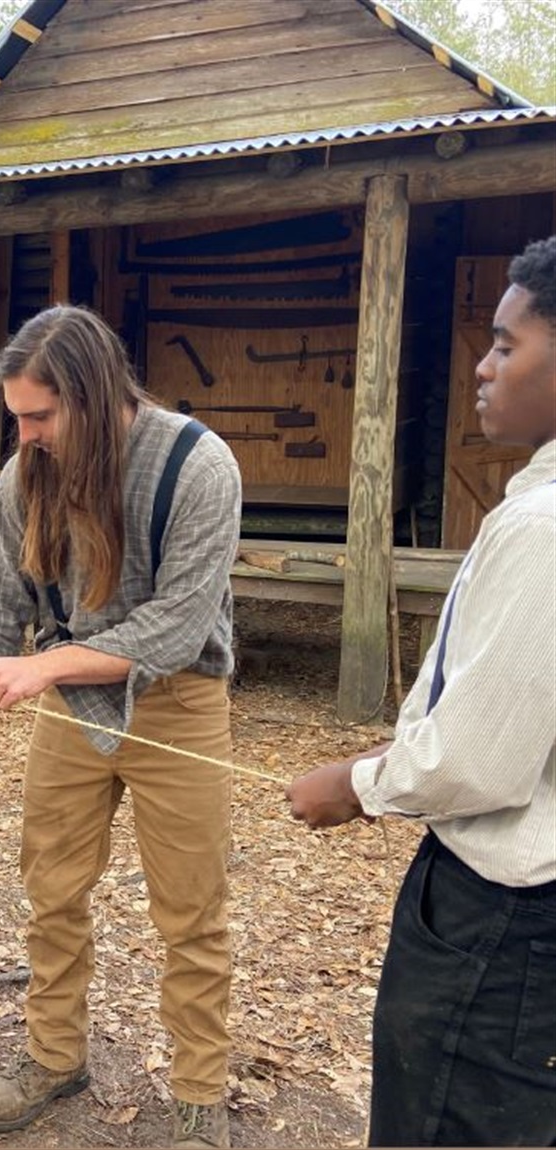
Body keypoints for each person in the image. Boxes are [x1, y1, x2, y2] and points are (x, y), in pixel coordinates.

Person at [0, 305, 242, 1149]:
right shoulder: (28, 478)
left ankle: (200, 1094)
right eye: (16, 415)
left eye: (40, 416)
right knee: (52, 894)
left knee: (190, 909)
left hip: (181, 704)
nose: (26, 434)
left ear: (93, 396)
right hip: (71, 709)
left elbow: (178, 628)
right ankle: (56, 1057)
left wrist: (46, 666)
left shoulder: (199, 467)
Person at [287, 235, 556, 1147]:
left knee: (441, 1118)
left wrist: (356, 787)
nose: (482, 367)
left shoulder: (544, 529)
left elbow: (482, 759)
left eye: (507, 345)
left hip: (507, 922)